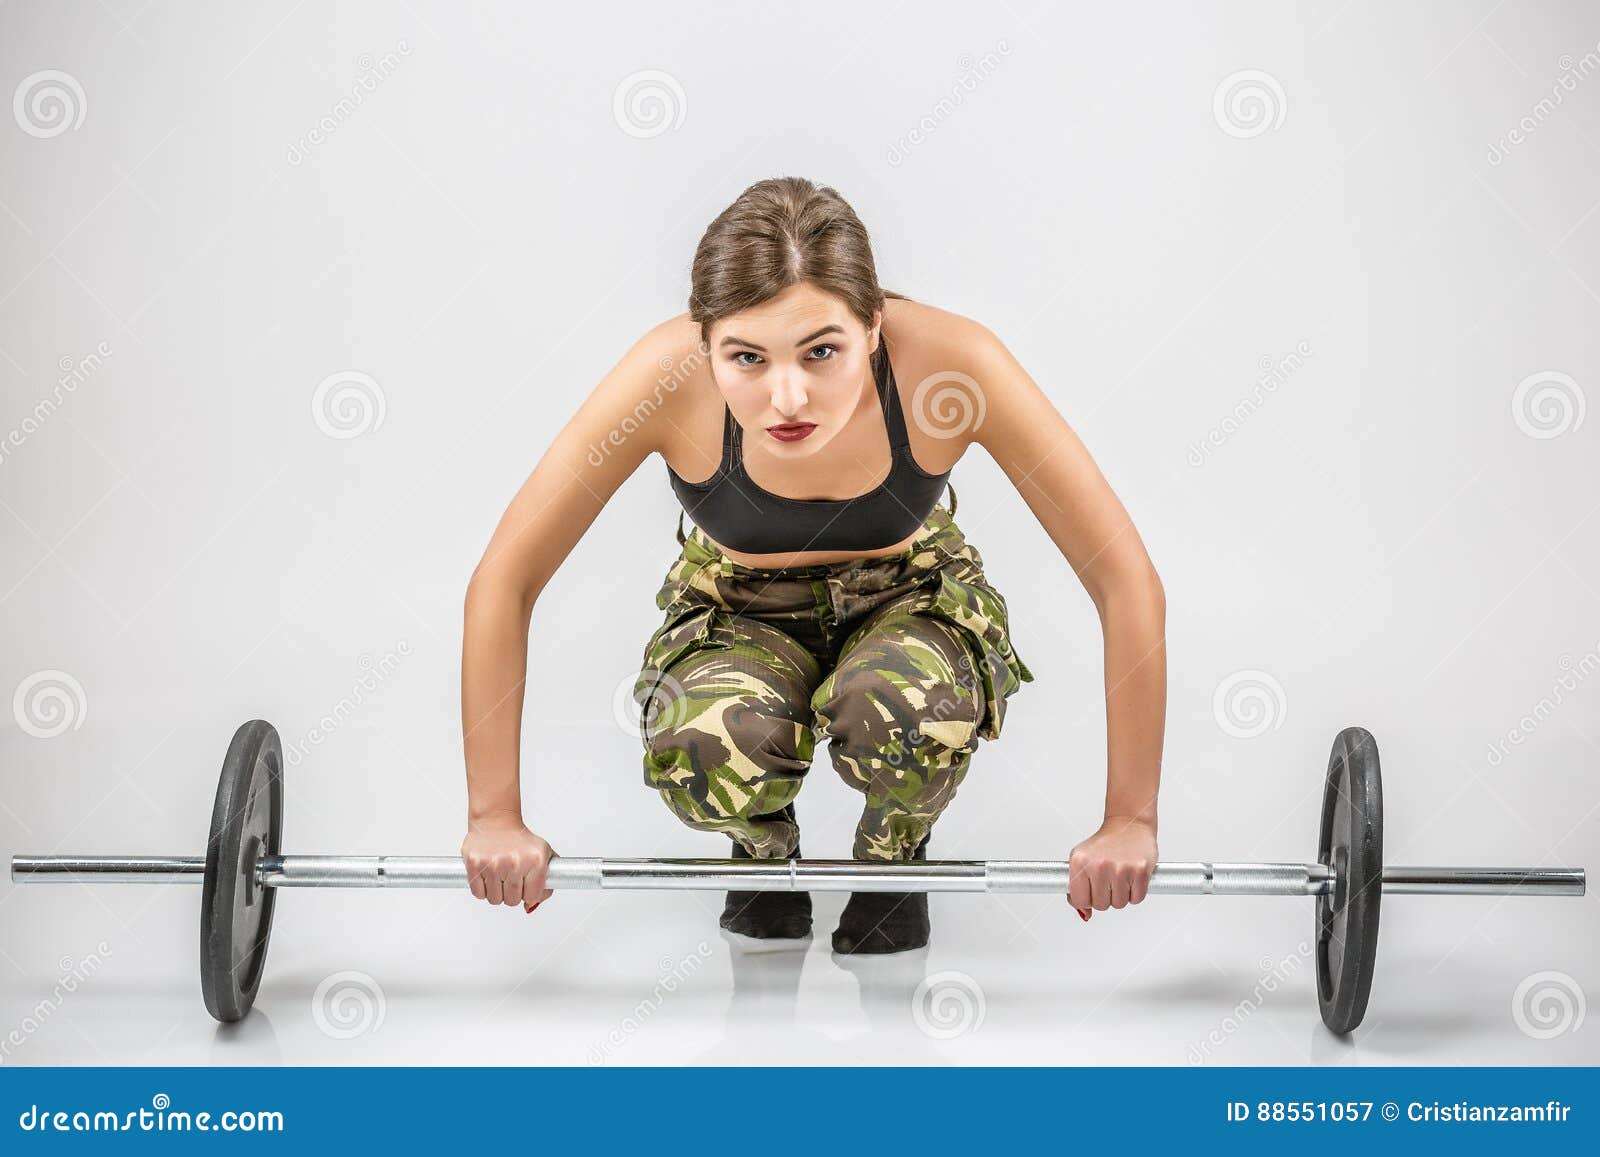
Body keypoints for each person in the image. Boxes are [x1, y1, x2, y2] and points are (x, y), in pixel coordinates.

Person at [459, 176, 1165, 954]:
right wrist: (494, 816)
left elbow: (1122, 576)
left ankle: (894, 858)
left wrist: (1129, 818)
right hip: (738, 607)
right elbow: (506, 577)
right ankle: (761, 854)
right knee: (700, 737)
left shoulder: (955, 366)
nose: (786, 395)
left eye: (820, 350)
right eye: (747, 357)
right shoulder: (660, 382)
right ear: (704, 345)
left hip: (909, 595)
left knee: (895, 703)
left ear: (872, 325)